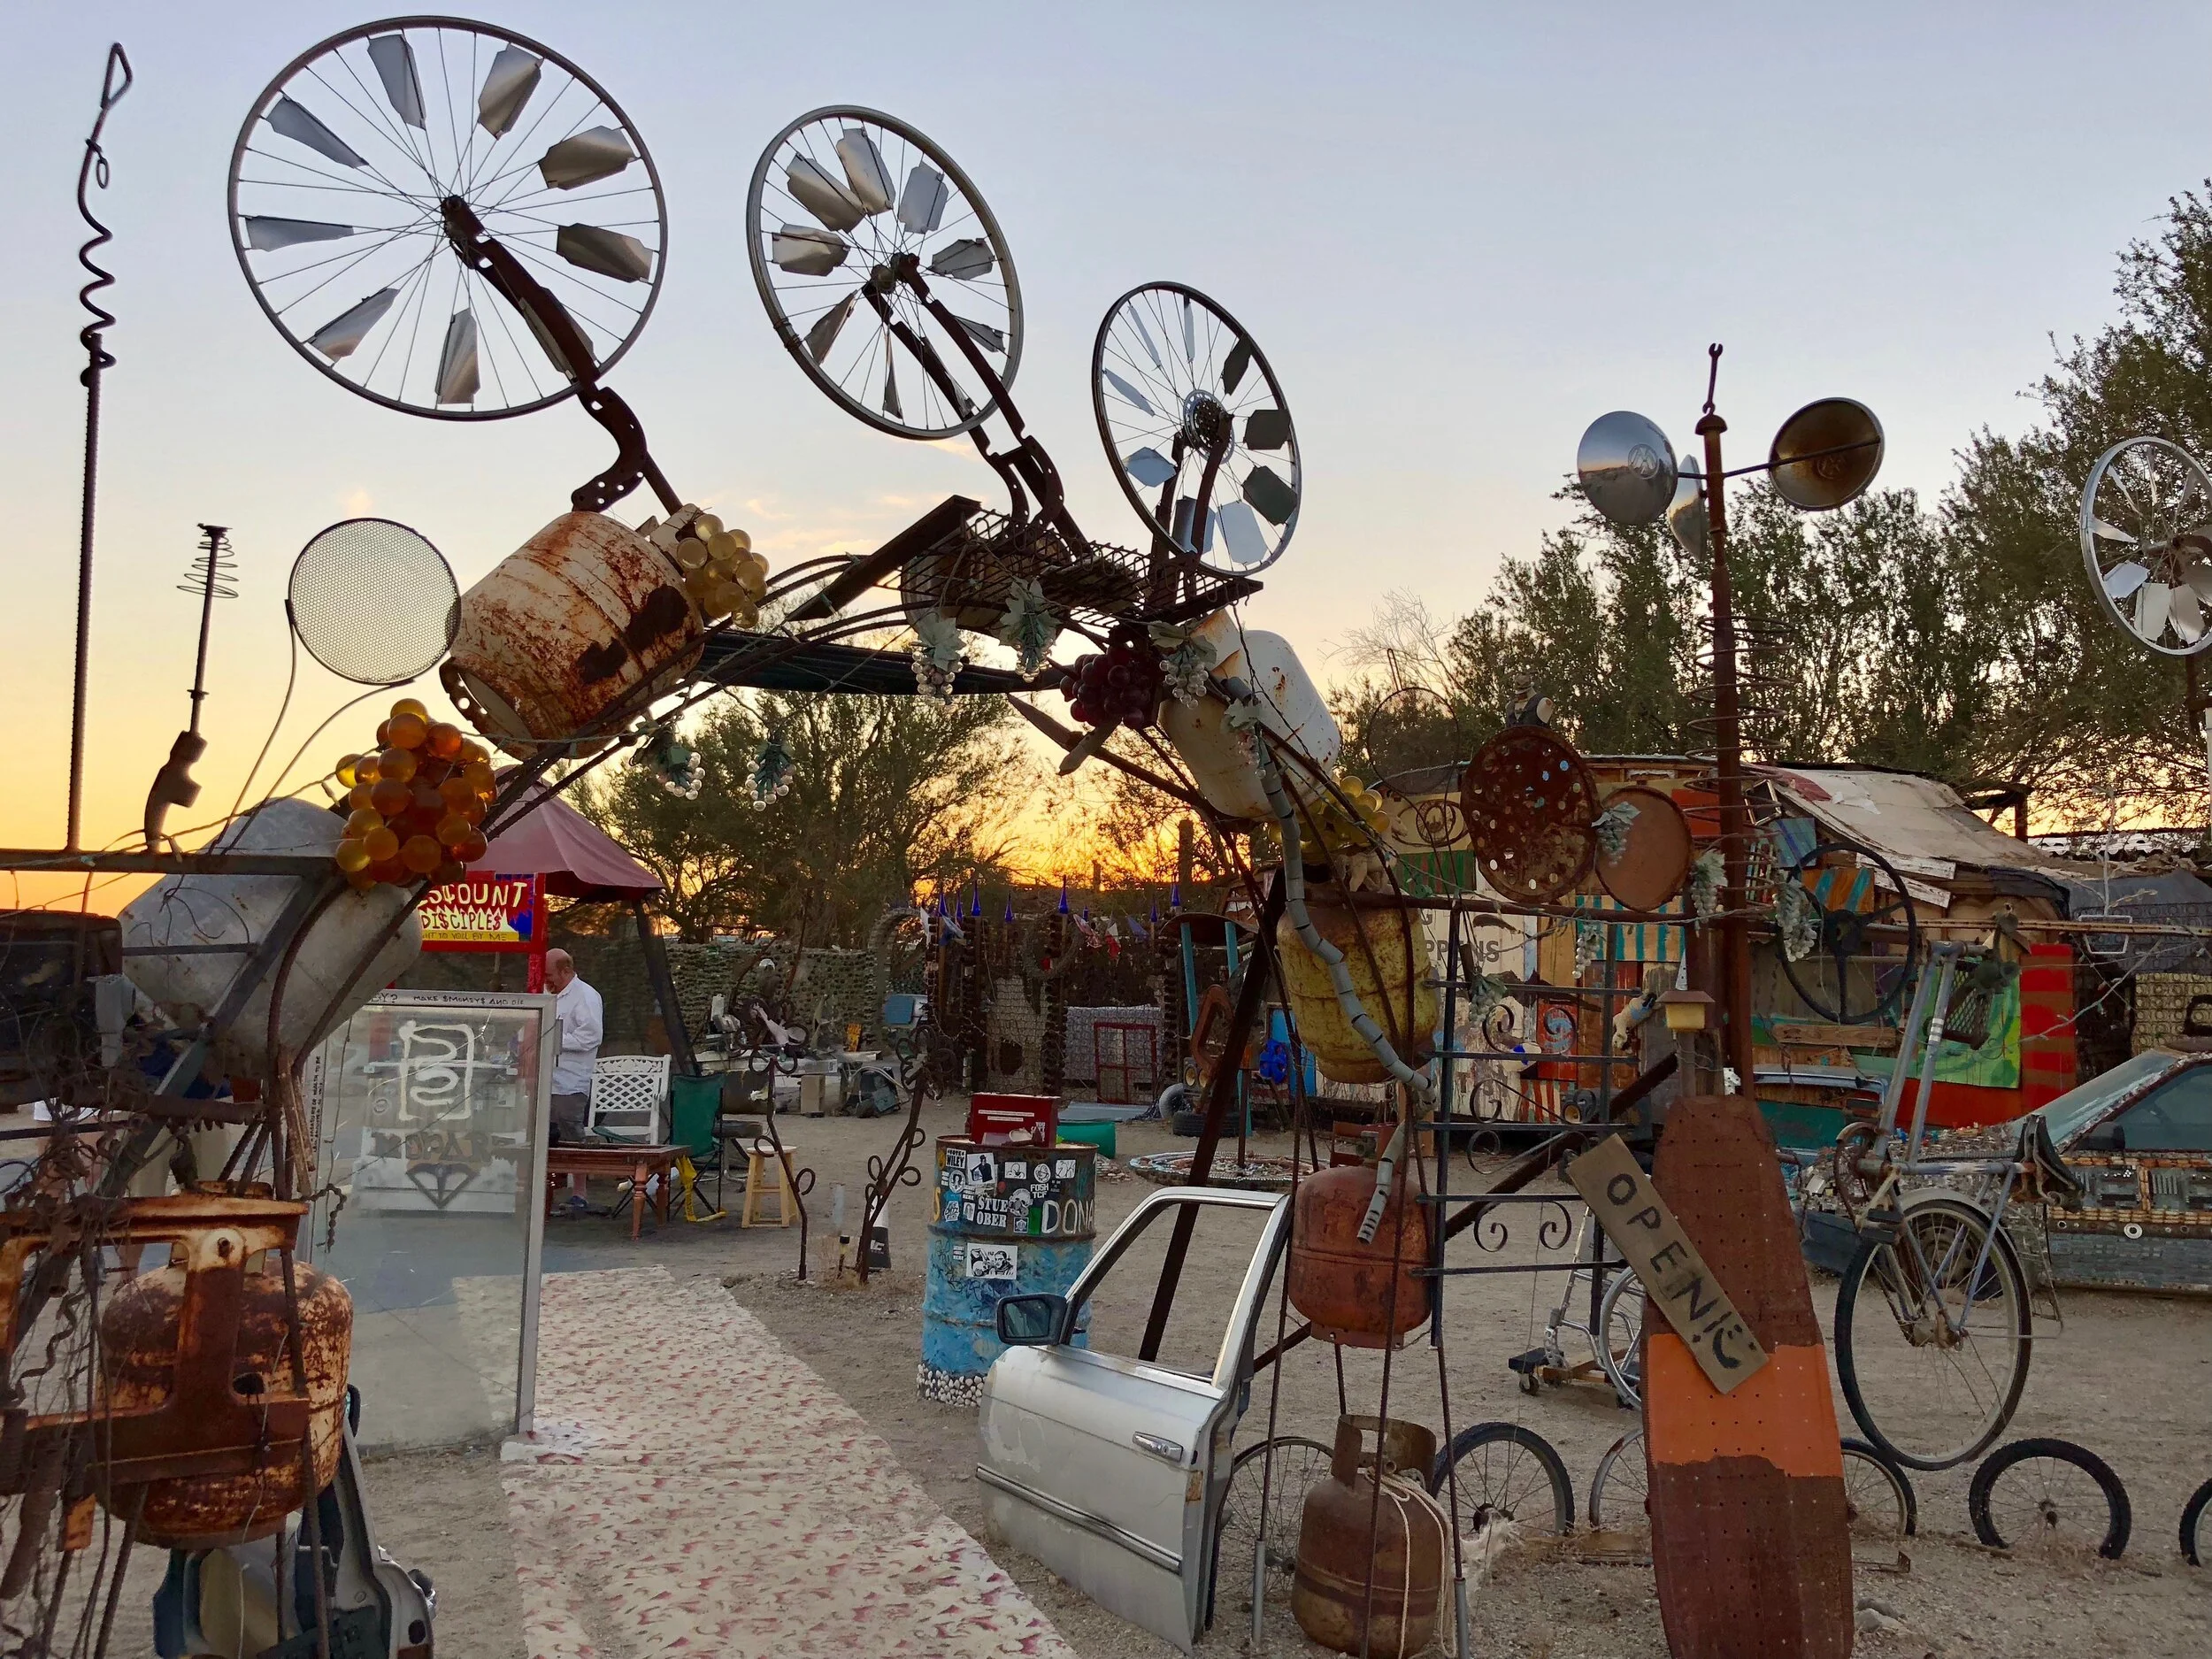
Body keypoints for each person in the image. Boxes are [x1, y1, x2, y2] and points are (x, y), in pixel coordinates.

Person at [545, 949, 603, 1144]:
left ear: (566, 970)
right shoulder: (545, 994)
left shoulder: (586, 996)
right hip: (543, 1081)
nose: (545, 981)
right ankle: (551, 1175)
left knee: (570, 1136)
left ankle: (580, 1175)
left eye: (549, 975)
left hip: (569, 1083)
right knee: (544, 1138)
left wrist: (552, 1039)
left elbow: (592, 1036)